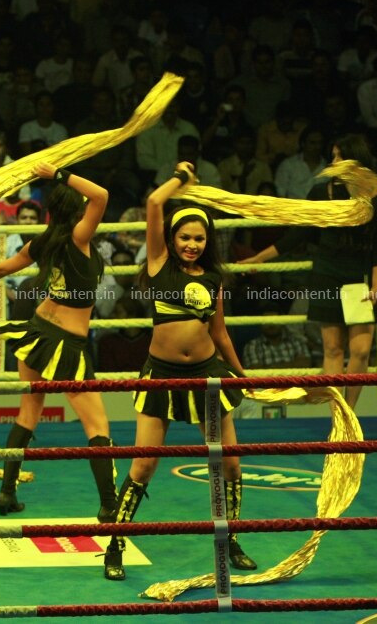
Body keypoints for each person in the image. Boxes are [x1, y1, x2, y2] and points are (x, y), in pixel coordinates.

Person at [0, 162, 119, 580]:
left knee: (29, 412)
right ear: (76, 211)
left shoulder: (45, 242)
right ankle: (110, 516)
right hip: (67, 344)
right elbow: (103, 196)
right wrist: (58, 173)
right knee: (97, 428)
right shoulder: (79, 237)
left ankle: (6, 491)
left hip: (39, 333)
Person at [107, 162, 256, 581]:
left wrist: (243, 376)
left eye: (199, 238)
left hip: (208, 376)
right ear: (171, 239)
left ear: (208, 242)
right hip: (162, 378)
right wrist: (181, 177)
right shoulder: (158, 264)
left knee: (230, 464)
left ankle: (233, 540)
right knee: (143, 467)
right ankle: (115, 545)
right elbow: (155, 201)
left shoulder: (212, 279)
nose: (191, 243)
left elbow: (222, 334)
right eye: (185, 236)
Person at [239, 134, 377, 408]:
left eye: (337, 156)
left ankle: (350, 410)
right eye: (332, 156)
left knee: (361, 350)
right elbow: (297, 235)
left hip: (359, 278)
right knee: (333, 348)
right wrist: (259, 258)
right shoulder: (322, 193)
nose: (332, 162)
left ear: (355, 162)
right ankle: (338, 416)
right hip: (328, 273)